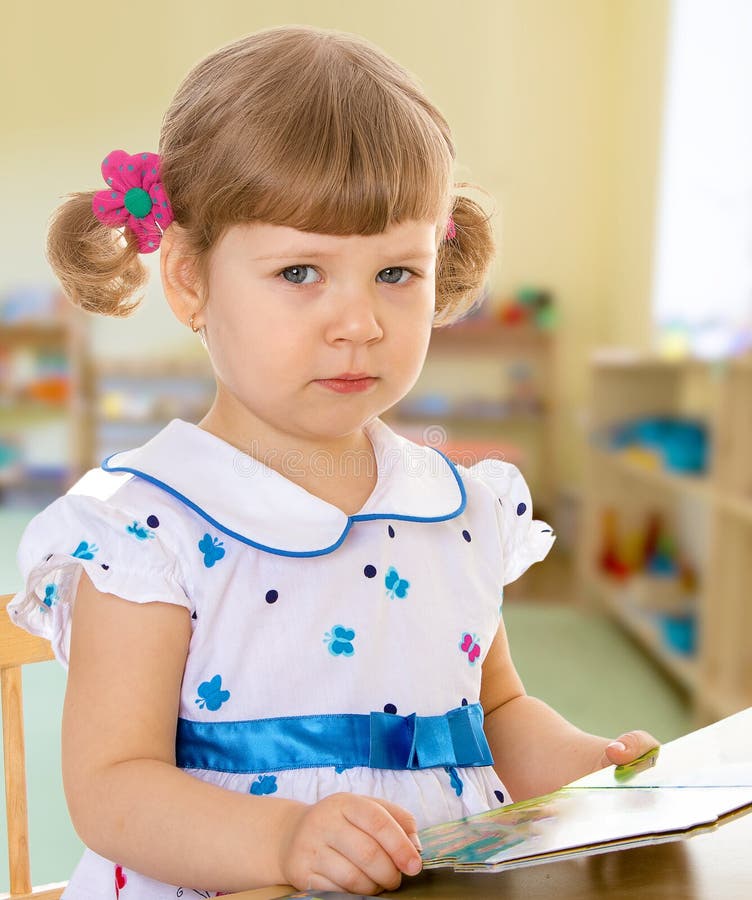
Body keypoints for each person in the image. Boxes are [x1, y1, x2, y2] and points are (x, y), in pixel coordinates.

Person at [8, 25, 658, 899]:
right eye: (302, 271)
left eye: (396, 273)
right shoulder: (147, 530)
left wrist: (592, 770)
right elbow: (112, 790)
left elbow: (495, 715)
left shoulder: (457, 507)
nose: (359, 322)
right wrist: (284, 843)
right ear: (190, 279)